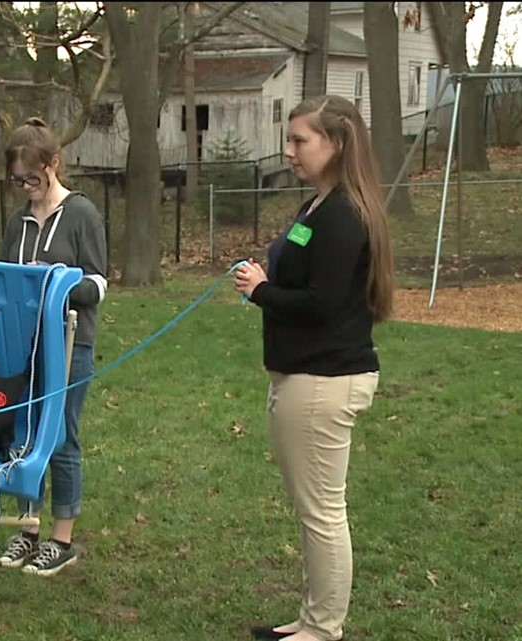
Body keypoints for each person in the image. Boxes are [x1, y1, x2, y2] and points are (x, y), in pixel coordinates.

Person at [234, 95, 394, 641]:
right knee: (312, 511)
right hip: (302, 376)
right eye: (290, 138)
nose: (290, 150)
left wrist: (261, 292)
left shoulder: (344, 215)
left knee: (323, 513)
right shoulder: (316, 208)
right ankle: (309, 619)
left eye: (301, 139)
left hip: (324, 380)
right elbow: (304, 277)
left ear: (338, 143)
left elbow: (323, 303)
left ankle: (323, 630)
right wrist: (266, 277)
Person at [0, 117, 108, 577]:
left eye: (31, 178)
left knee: (60, 438)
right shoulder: (17, 221)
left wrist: (56, 281)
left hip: (70, 344)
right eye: (17, 180)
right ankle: (28, 528)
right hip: (24, 344)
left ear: (53, 164)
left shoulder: (82, 215)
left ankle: (62, 539)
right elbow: (5, 275)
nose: (25, 187)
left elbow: (99, 285)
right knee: (23, 436)